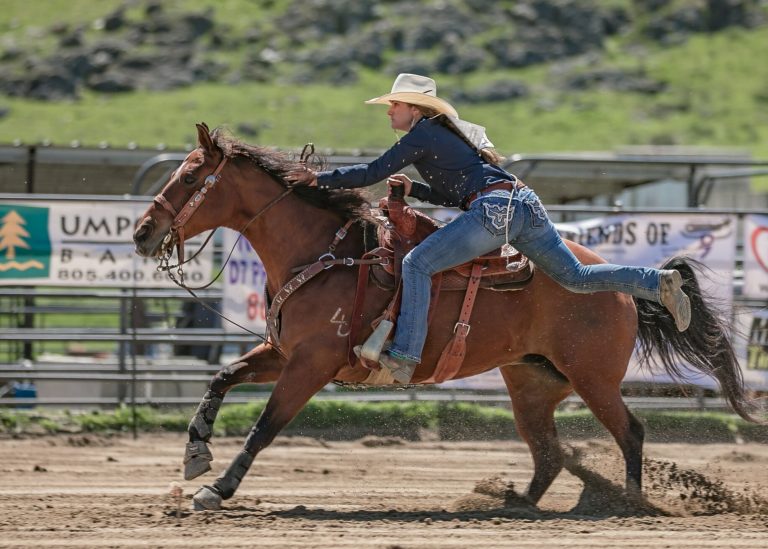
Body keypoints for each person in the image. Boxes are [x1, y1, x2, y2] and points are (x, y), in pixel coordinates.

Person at [285, 73, 691, 383]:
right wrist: (416, 188)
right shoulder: (440, 136)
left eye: (394, 105)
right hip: (522, 204)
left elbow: (372, 171)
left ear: (416, 109)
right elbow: (455, 194)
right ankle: (657, 283)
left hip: (495, 211)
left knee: (418, 264)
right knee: (575, 276)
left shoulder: (422, 134)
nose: (389, 111)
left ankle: (405, 357)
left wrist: (319, 180)